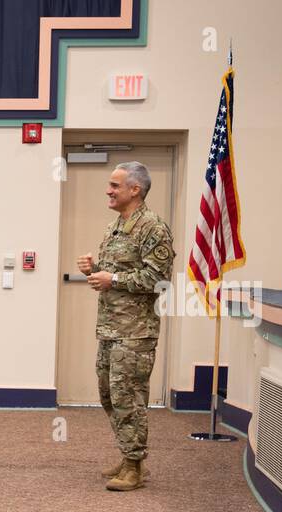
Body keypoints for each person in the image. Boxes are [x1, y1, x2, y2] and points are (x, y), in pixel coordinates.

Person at [76, 161, 175, 492]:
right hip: (109, 328)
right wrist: (95, 268)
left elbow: (159, 279)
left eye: (115, 185)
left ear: (136, 189)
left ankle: (135, 465)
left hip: (135, 333)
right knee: (108, 395)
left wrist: (113, 278)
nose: (109, 190)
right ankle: (128, 453)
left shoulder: (153, 228)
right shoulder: (115, 226)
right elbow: (113, 272)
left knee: (128, 397)